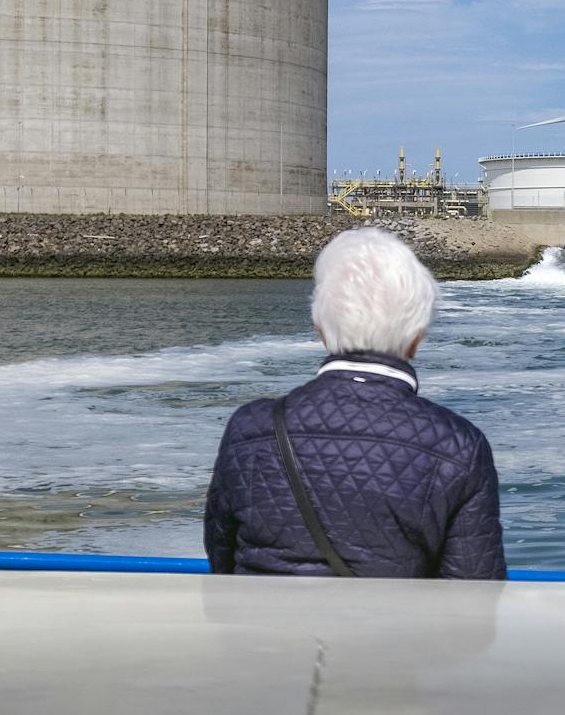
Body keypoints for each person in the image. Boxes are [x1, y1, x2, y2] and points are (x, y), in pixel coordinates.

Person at [203, 227, 506, 579]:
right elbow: (472, 600)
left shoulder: (249, 427)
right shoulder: (460, 446)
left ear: (319, 327)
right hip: (390, 633)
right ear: (417, 338)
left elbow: (221, 559)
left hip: (262, 632)